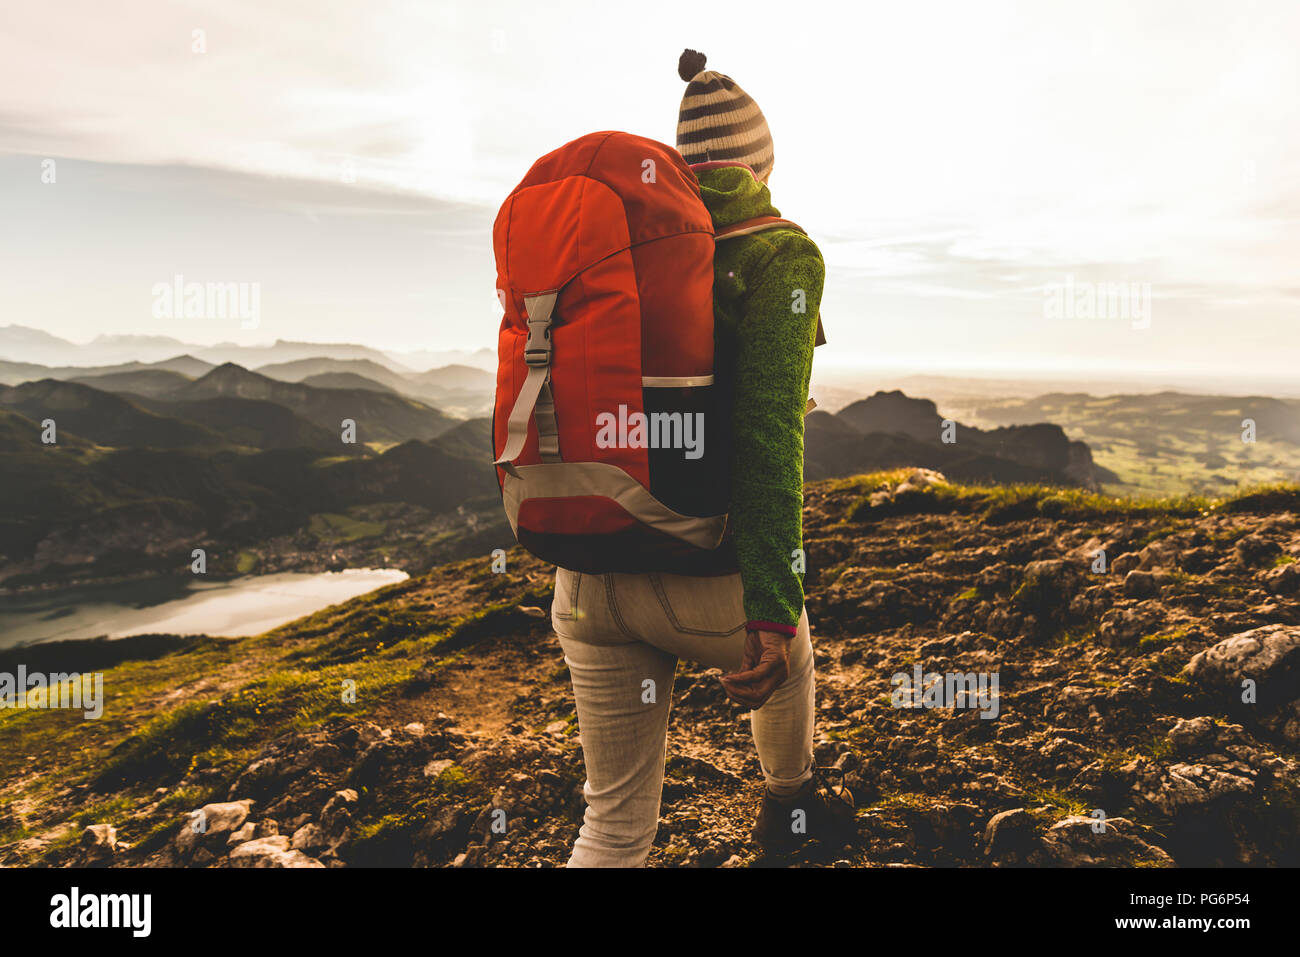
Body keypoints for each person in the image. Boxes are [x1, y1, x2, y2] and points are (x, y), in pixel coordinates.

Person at [550, 49, 854, 868]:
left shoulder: (615, 245)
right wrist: (770, 609)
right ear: (760, 164)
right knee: (790, 653)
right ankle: (791, 806)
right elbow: (766, 438)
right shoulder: (782, 253)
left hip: (584, 580)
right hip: (700, 579)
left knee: (611, 827)